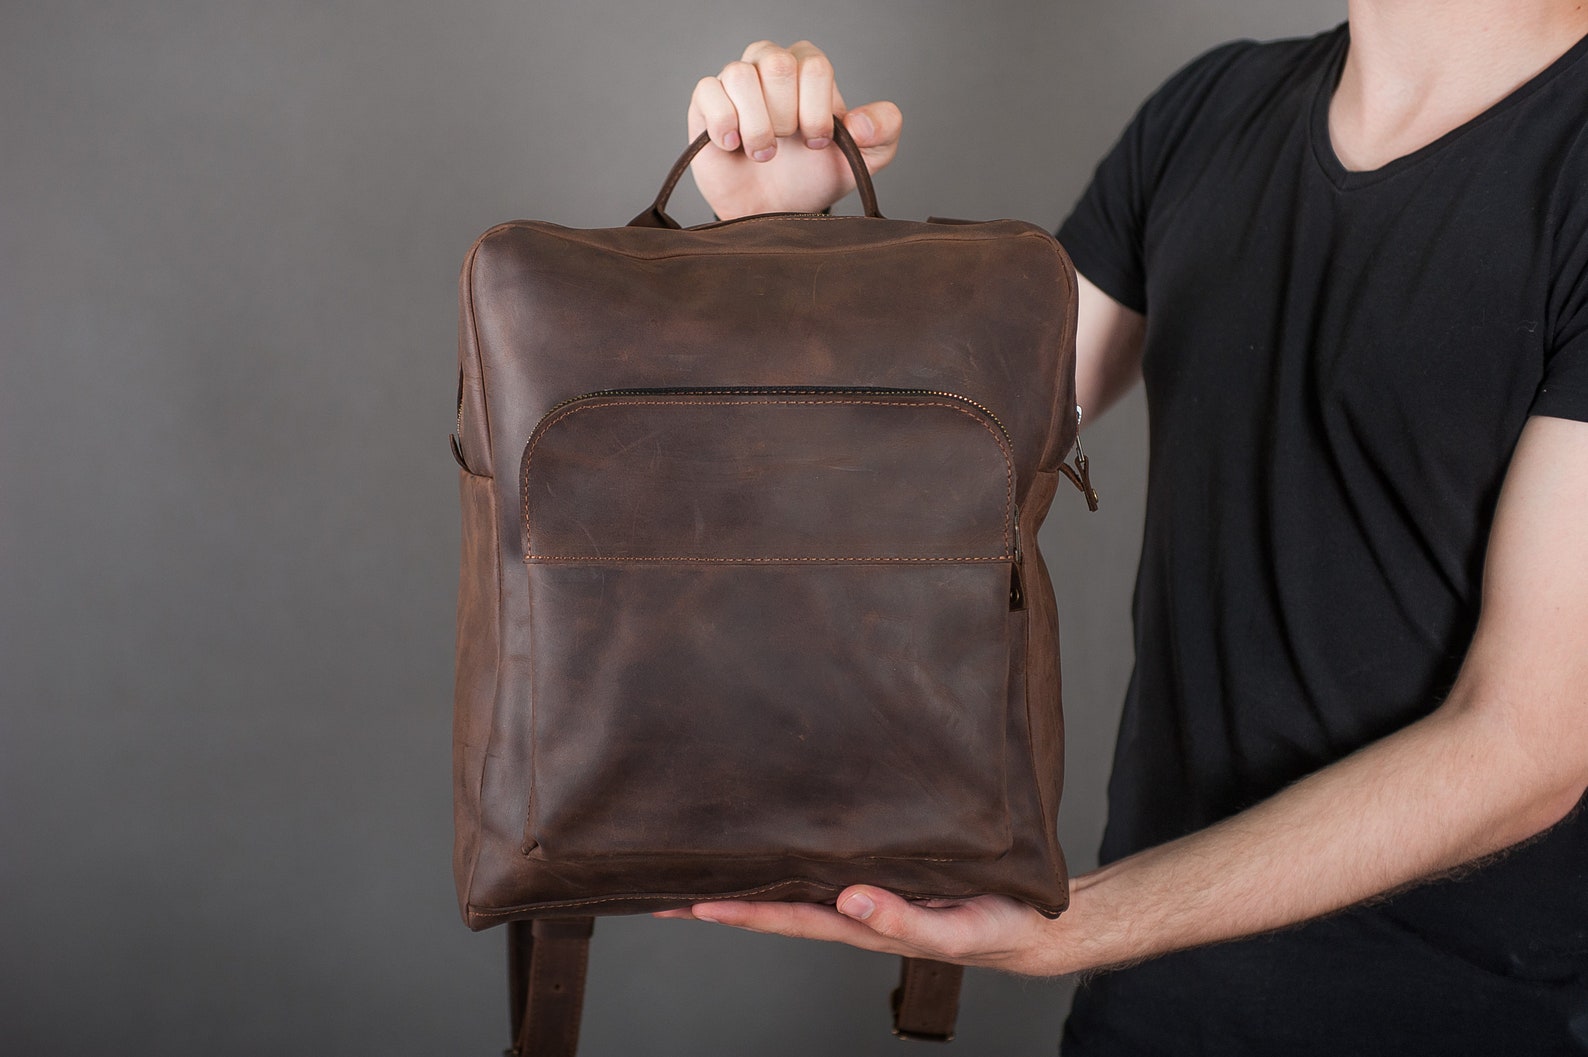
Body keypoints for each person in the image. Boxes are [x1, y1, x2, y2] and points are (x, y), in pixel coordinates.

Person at [657, 5, 1588, 1054]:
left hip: (1462, 1022)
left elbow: (1527, 741)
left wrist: (1085, 921)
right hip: (1151, 1012)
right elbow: (937, 487)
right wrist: (781, 244)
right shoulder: (1207, 111)